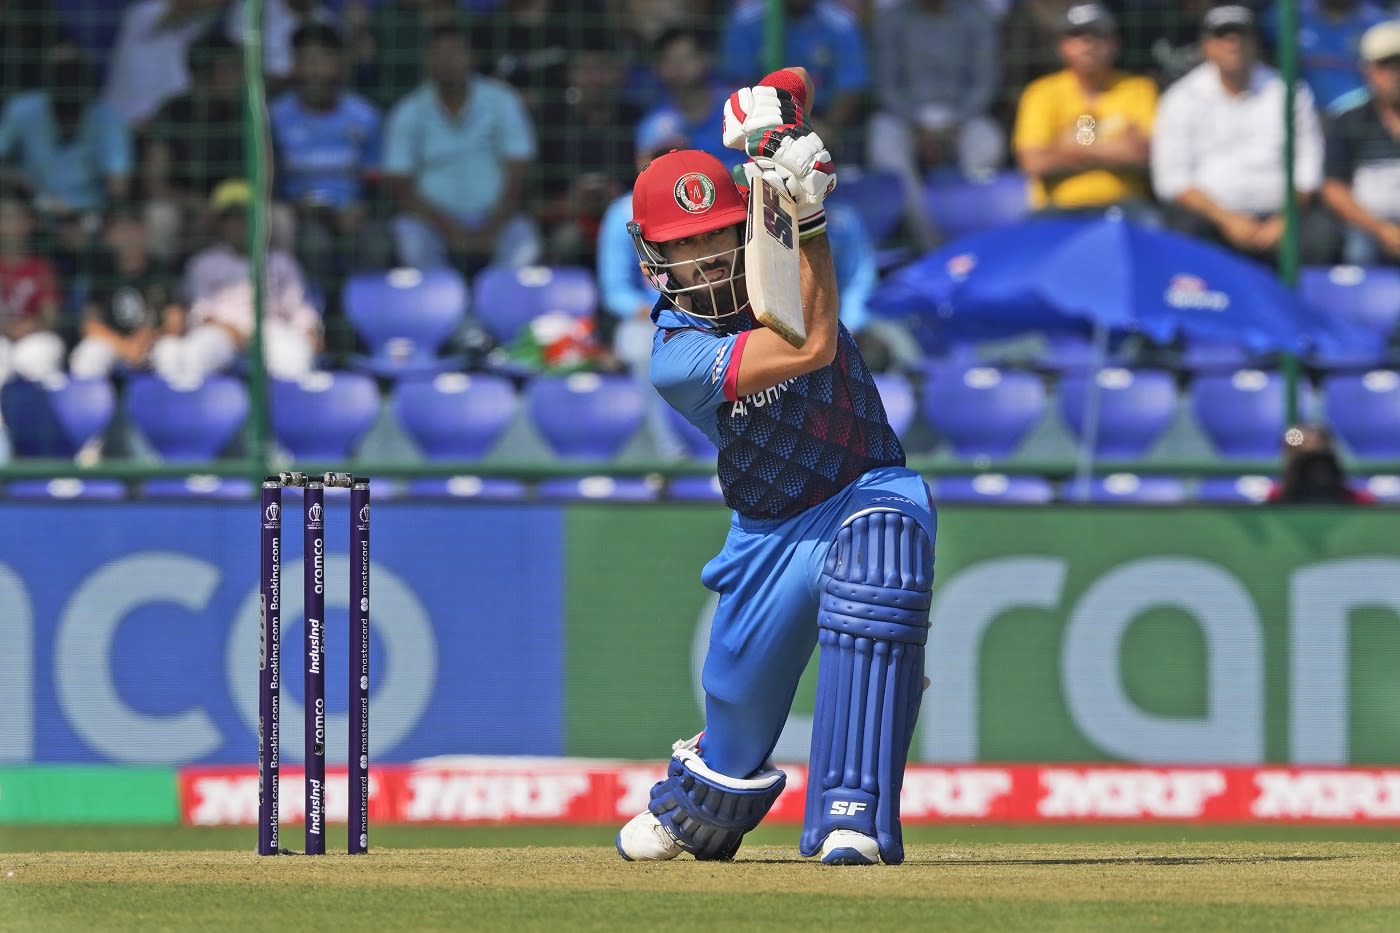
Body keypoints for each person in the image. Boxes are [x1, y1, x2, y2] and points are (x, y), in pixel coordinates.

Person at [614, 69, 936, 867]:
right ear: (654, 258)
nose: (707, 257)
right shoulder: (676, 356)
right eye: (684, 245)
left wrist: (772, 125)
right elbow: (810, 342)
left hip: (867, 487)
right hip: (767, 538)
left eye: (716, 234)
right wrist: (812, 217)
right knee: (725, 762)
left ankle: (849, 814)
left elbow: (792, 83)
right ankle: (698, 799)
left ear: (742, 227)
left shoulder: (776, 245)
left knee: (883, 564)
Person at [1152, 4, 1338, 267]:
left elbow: (1307, 170)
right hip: (1208, 217)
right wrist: (1226, 219)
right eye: (1222, 35)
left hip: (1279, 216)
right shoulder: (1181, 97)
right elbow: (1171, 178)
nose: (1232, 43)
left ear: (1256, 43)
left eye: (1241, 35)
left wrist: (1283, 220)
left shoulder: (1288, 91)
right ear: (1205, 46)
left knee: (1322, 235)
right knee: (1177, 229)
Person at [382, 22, 540, 275]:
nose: (447, 61)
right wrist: (449, 229)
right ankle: (441, 312)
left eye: (455, 52)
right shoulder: (408, 110)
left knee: (524, 236)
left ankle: (499, 310)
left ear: (472, 58)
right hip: (432, 222)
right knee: (408, 235)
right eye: (438, 54)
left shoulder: (502, 100)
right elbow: (400, 185)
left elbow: (519, 171)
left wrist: (492, 227)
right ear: (426, 61)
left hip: (496, 218)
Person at [151, 179, 321, 383]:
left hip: (270, 329)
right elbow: (200, 311)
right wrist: (230, 330)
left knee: (295, 358)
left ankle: (283, 413)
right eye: (230, 219)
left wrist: (309, 331)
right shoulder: (203, 263)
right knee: (192, 357)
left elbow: (299, 308)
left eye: (244, 217)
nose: (237, 225)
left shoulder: (281, 261)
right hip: (222, 333)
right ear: (219, 224)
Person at [1012, 3, 1159, 221]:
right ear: (1062, 45)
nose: (1087, 43)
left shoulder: (1139, 89)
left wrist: (1069, 147)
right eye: (1076, 34)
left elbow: (1144, 155)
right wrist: (1115, 147)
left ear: (1115, 42)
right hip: (1057, 209)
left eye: (1097, 34)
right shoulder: (1040, 93)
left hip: (1126, 208)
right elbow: (1035, 162)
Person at [69, 204, 183, 379]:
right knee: (88, 354)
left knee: (172, 351)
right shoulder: (101, 271)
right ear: (109, 237)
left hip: (153, 342)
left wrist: (152, 336)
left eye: (133, 228)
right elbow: (90, 324)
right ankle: (91, 405)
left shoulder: (161, 269)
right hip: (115, 342)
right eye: (120, 230)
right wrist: (124, 346)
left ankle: (173, 405)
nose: (128, 236)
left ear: (144, 231)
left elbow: (175, 321)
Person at [1321, 20, 1400, 266]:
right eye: (1386, 65)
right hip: (1367, 226)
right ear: (1368, 70)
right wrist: (1379, 228)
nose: (1395, 74)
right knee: (1357, 249)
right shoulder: (1347, 119)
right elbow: (1333, 188)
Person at [0, 192, 66, 385]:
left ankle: (51, 412)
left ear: (28, 225)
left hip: (34, 338)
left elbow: (51, 318)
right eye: (6, 220)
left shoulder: (41, 268)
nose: (14, 227)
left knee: (38, 355)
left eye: (19, 220)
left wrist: (29, 326)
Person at [1267, 423, 1375, 504]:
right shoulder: (1272, 501)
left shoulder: (1361, 502)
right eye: (1301, 459)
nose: (1310, 471)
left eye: (1318, 459)